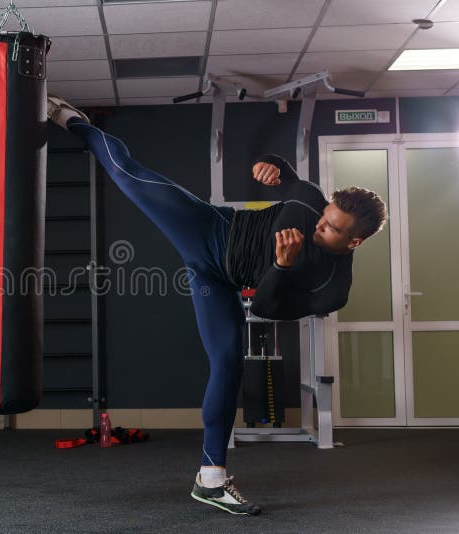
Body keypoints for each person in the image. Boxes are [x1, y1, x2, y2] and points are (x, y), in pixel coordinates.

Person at [46, 94, 388, 516]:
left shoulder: (332, 286)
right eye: (324, 216)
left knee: (228, 363)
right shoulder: (311, 200)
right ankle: (70, 119)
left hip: (217, 281)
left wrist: (282, 266)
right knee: (130, 175)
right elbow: (284, 173)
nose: (320, 224)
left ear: (354, 242)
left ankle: (211, 479)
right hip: (209, 229)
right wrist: (269, 162)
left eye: (332, 228)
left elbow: (264, 307)